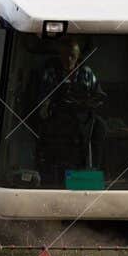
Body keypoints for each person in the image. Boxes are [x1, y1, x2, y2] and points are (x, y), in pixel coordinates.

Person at [32, 37, 106, 183]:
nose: (69, 59)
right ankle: (59, 178)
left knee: (101, 127)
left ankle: (92, 172)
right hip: (59, 116)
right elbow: (44, 99)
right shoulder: (51, 73)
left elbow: (99, 95)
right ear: (60, 55)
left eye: (72, 56)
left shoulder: (86, 72)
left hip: (84, 114)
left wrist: (89, 102)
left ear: (77, 56)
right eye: (65, 56)